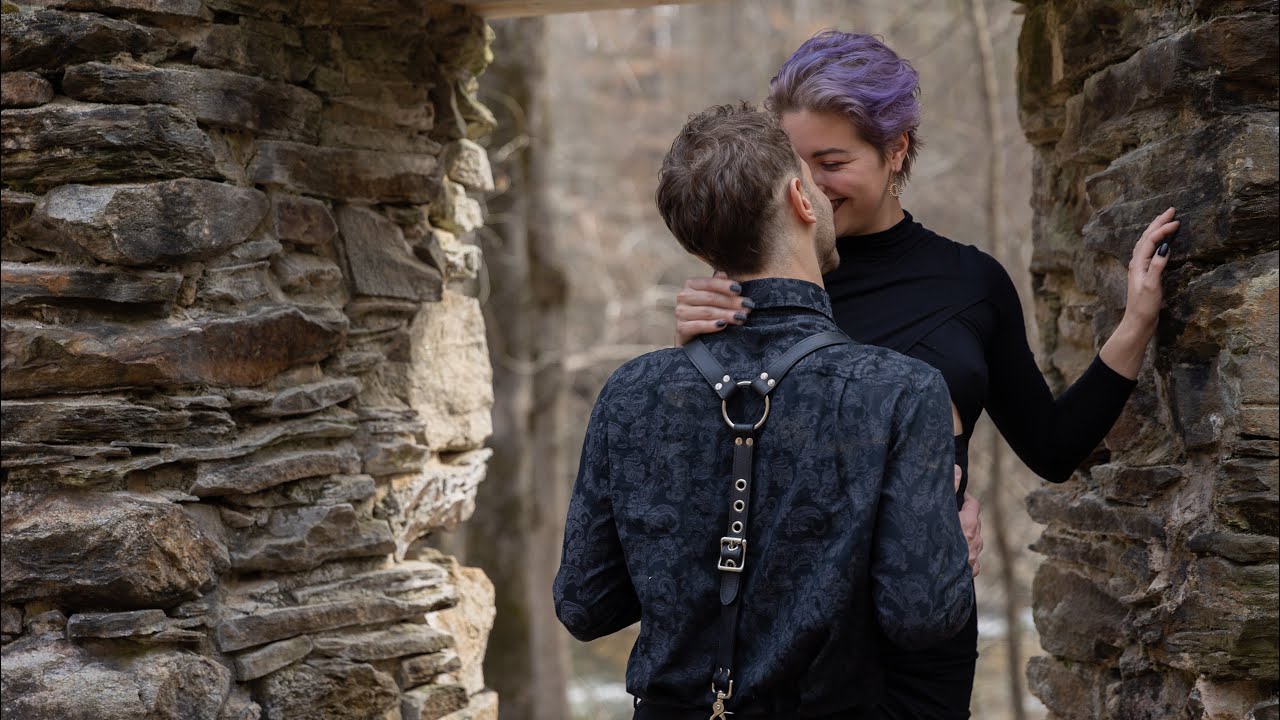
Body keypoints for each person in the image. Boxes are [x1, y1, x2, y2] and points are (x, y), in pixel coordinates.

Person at [672, 31, 1179, 719]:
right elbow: (710, 478)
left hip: (919, 635)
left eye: (832, 162)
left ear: (896, 149)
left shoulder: (972, 282)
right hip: (780, 630)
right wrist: (690, 353)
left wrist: (1136, 322)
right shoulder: (747, 284)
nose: (809, 188)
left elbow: (1053, 448)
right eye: (796, 164)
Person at [553, 104, 974, 719]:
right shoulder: (900, 390)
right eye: (811, 176)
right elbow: (921, 617)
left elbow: (585, 605)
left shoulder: (631, 392)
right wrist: (947, 551)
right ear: (801, 199)